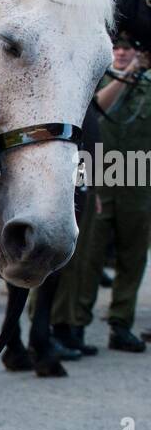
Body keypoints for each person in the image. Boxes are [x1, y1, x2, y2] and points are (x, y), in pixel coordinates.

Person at [57, 34, 151, 353]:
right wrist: (125, 75)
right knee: (88, 257)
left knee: (133, 255)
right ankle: (76, 323)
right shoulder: (96, 77)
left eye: (129, 47)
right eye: (118, 47)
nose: (123, 52)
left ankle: (120, 323)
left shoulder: (147, 82)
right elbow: (96, 111)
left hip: (138, 175)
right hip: (100, 173)